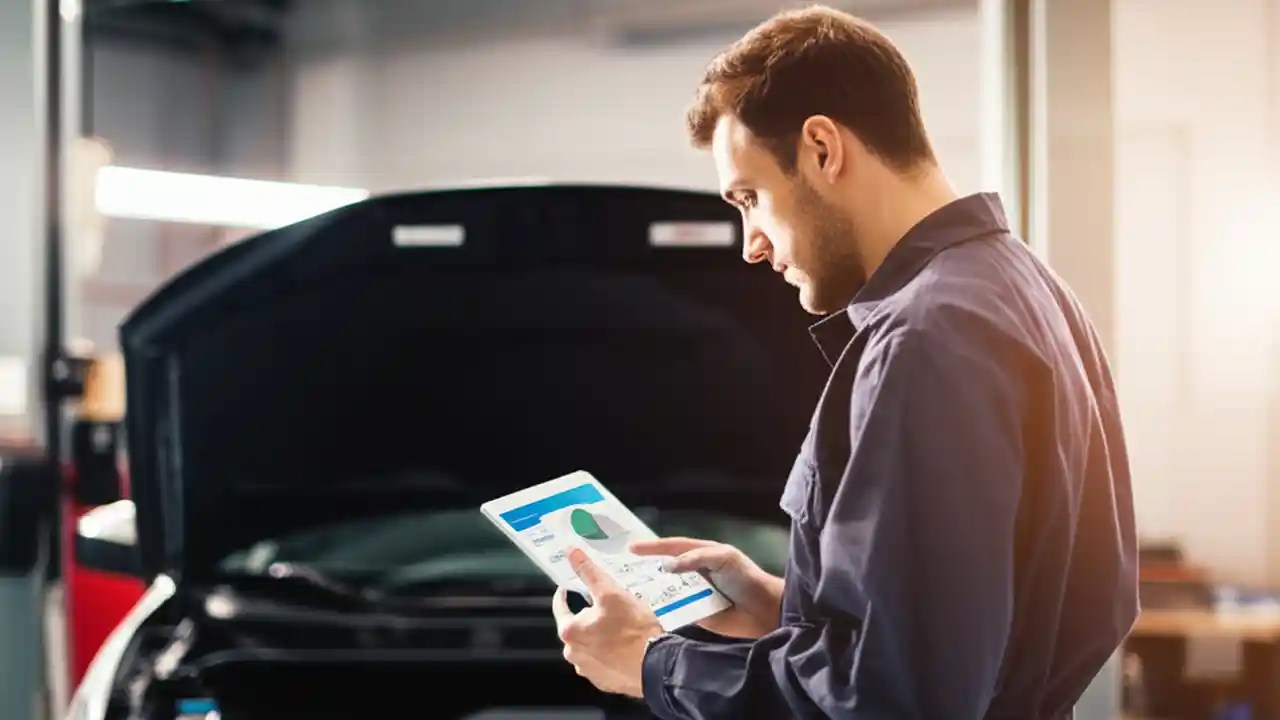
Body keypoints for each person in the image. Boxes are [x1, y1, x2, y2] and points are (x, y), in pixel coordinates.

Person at [550, 5, 1139, 718]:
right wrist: (781, 605)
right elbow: (975, 627)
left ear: (823, 149)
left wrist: (652, 664)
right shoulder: (1027, 289)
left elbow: (889, 701)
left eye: (750, 198)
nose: (751, 244)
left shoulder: (923, 339)